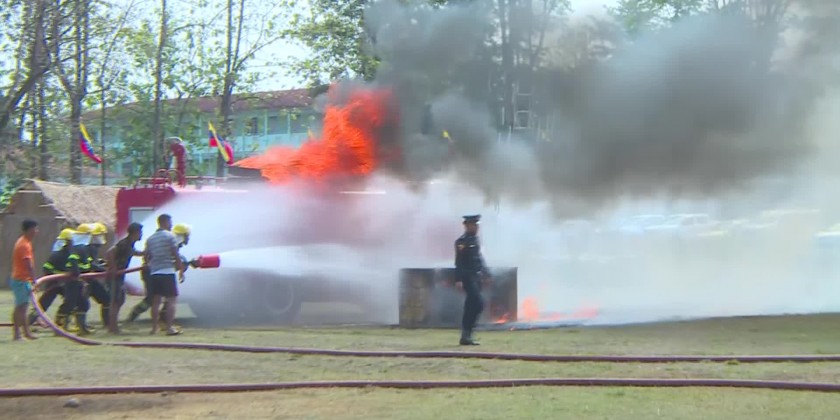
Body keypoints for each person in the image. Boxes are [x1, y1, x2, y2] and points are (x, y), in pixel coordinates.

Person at [126, 223, 196, 328]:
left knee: (165, 297)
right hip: (152, 272)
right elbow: (170, 259)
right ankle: (134, 314)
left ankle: (162, 319)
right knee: (152, 298)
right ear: (181, 236)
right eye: (186, 235)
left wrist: (185, 263)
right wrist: (183, 265)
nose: (188, 238)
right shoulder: (172, 242)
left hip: (156, 271)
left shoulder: (172, 243)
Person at [143, 214, 185, 335]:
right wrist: (181, 269)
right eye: (170, 222)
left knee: (156, 302)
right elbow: (175, 254)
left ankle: (154, 328)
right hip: (167, 271)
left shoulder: (150, 239)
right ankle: (169, 328)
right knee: (172, 300)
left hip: (155, 273)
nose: (171, 225)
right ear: (165, 222)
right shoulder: (170, 236)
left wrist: (151, 265)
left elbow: (146, 256)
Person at [454, 214, 491, 346]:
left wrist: (487, 273)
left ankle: (467, 335)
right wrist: (458, 279)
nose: (476, 227)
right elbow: (458, 262)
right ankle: (467, 334)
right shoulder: (462, 242)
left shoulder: (475, 240)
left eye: (477, 225)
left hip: (477, 277)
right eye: (473, 225)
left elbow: (479, 258)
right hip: (467, 277)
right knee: (478, 303)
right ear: (466, 225)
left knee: (472, 306)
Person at [28, 228, 75, 328]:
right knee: (43, 304)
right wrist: (57, 276)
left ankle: (61, 322)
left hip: (65, 284)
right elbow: (46, 267)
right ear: (67, 242)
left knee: (71, 300)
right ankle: (29, 322)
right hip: (53, 284)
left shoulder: (73, 254)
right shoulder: (58, 254)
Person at [56, 223, 96, 335]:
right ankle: (60, 328)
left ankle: (82, 328)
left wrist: (103, 269)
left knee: (83, 304)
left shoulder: (83, 248)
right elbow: (73, 261)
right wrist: (79, 277)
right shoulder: (79, 247)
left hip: (79, 281)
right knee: (70, 304)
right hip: (74, 282)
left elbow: (88, 264)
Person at [104, 222, 144, 334]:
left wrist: (144, 253)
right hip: (114, 277)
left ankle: (113, 325)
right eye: (140, 232)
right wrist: (113, 267)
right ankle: (112, 327)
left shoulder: (130, 245)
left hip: (120, 276)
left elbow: (132, 252)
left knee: (120, 299)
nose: (141, 234)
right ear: (135, 233)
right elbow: (109, 252)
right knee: (115, 301)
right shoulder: (124, 244)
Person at [9, 219, 39, 341]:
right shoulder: (23, 244)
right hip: (21, 279)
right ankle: (17, 334)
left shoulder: (26, 242)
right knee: (20, 307)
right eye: (35, 229)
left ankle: (26, 333)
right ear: (29, 230)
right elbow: (28, 264)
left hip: (22, 279)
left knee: (23, 307)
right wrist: (34, 279)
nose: (36, 231)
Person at [87, 222, 113, 328]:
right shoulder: (91, 248)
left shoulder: (91, 247)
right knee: (106, 299)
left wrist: (101, 262)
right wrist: (104, 269)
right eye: (99, 235)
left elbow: (93, 262)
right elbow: (91, 264)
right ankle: (107, 323)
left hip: (89, 279)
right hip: (87, 279)